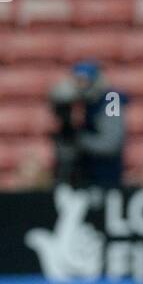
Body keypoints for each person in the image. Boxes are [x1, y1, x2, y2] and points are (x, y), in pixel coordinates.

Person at [50, 60, 126, 188]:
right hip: (81, 174)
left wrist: (79, 140)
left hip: (105, 175)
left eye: (85, 81)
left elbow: (111, 143)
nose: (81, 86)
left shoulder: (112, 99)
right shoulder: (80, 100)